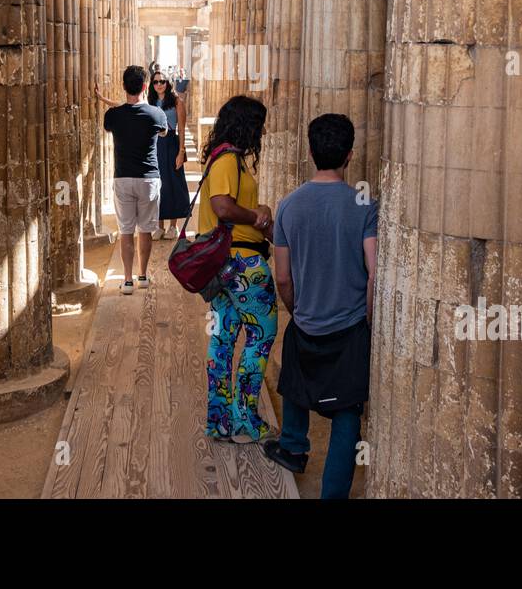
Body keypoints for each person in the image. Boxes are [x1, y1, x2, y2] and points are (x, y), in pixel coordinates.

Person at [263, 113, 377, 499]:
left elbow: (282, 276)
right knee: (347, 415)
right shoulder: (365, 206)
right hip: (349, 328)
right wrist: (368, 319)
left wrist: (297, 309)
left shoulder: (289, 206)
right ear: (349, 155)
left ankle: (294, 446)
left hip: (307, 319)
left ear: (310, 152)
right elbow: (374, 272)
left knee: (295, 376)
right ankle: (332, 494)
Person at [198, 95, 276, 444]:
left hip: (223, 265)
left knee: (223, 339)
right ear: (247, 125)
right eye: (258, 126)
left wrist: (252, 208)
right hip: (242, 261)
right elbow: (223, 208)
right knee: (261, 335)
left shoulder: (223, 157)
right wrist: (257, 216)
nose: (260, 133)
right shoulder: (229, 159)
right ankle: (245, 417)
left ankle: (220, 420)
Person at [94, 66, 168, 295]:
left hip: (123, 177)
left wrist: (106, 100)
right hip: (148, 178)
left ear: (124, 86)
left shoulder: (113, 115)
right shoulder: (157, 114)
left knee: (126, 231)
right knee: (145, 230)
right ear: (145, 87)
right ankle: (143, 276)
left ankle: (127, 280)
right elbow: (164, 132)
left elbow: (119, 114)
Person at [147, 69, 189, 239]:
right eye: (156, 82)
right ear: (152, 84)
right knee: (157, 184)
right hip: (155, 145)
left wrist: (181, 152)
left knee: (173, 183)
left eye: (162, 81)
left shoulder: (177, 101)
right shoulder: (150, 101)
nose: (159, 85)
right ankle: (159, 226)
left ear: (168, 82)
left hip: (172, 144)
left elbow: (181, 128)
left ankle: (173, 226)